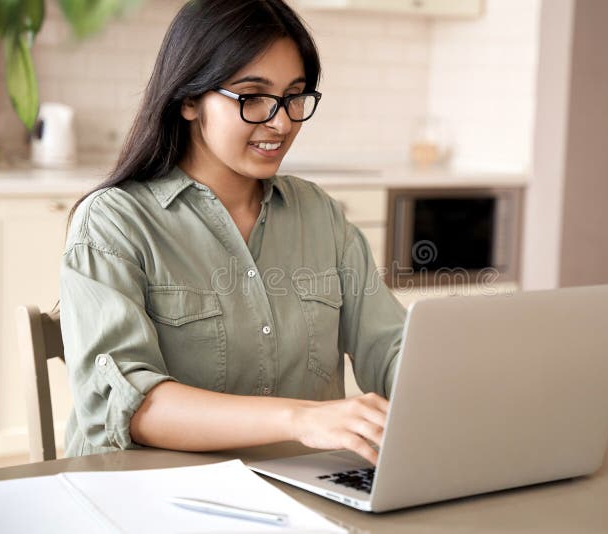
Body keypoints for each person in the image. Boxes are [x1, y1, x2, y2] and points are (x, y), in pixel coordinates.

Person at [60, 0, 405, 466]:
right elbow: (127, 402)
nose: (280, 122)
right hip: (151, 495)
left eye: (293, 96)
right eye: (253, 96)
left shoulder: (319, 215)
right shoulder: (114, 222)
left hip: (300, 490)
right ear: (188, 99)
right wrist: (300, 419)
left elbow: (390, 348)